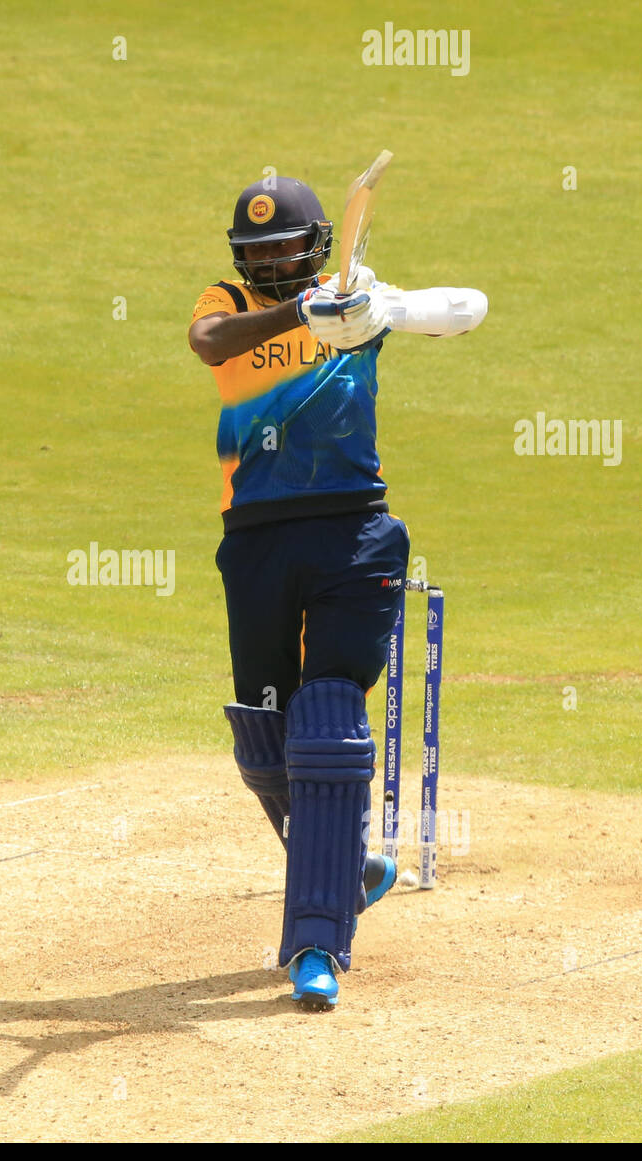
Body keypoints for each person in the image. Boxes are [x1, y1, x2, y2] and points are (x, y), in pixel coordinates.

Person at [188, 175, 486, 1010]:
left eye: (289, 250)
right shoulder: (232, 302)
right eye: (260, 254)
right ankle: (351, 866)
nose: (276, 262)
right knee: (264, 737)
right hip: (255, 536)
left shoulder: (357, 298)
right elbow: (210, 340)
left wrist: (376, 311)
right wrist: (300, 315)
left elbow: (468, 307)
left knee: (327, 717)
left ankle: (316, 944)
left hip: (354, 531)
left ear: (317, 245)